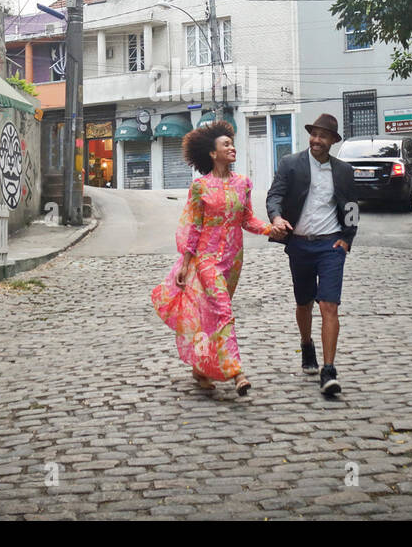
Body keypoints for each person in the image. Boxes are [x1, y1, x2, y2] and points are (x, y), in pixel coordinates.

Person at [150, 121, 288, 395]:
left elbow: (246, 220)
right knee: (224, 311)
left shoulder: (243, 184)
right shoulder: (200, 187)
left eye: (232, 143)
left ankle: (200, 368)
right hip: (206, 260)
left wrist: (270, 229)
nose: (232, 147)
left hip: (233, 261)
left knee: (207, 315)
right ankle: (236, 372)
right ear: (213, 154)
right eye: (225, 145)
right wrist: (187, 262)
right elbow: (194, 227)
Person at [267, 113, 357, 396]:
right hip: (300, 245)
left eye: (323, 136)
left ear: (332, 141)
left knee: (329, 305)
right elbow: (274, 196)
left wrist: (346, 239)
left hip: (330, 246)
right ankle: (307, 345)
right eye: (314, 134)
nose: (317, 140)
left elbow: (352, 207)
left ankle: (328, 370)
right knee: (304, 302)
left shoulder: (344, 171)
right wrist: (277, 218)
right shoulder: (290, 164)